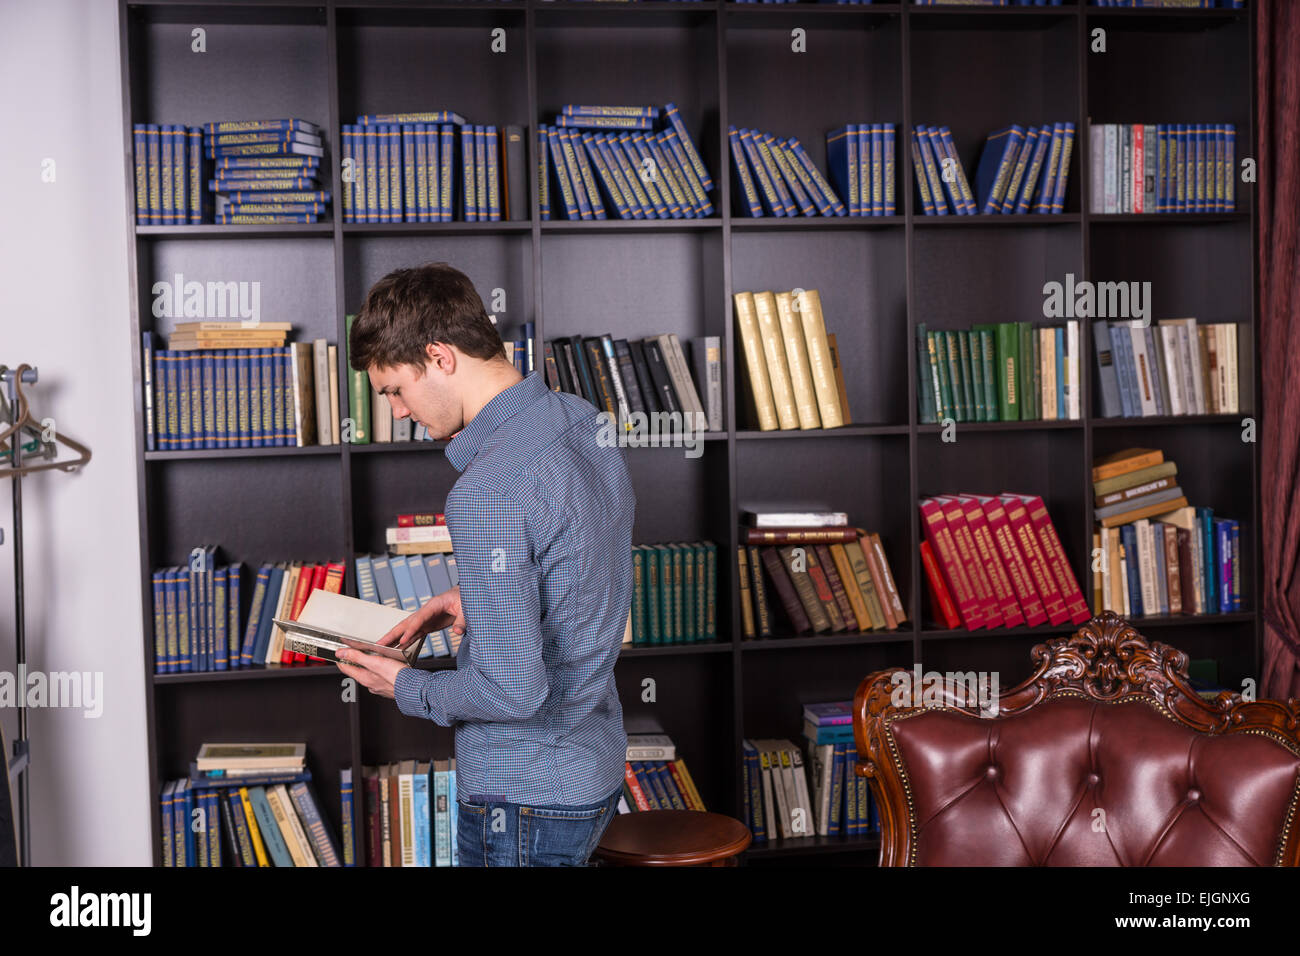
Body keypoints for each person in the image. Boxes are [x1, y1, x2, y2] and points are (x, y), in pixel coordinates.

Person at [336, 262, 635, 866]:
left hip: (526, 796)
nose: (396, 412)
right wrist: (479, 600)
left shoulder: (487, 489)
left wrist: (404, 685)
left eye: (395, 388)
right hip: (594, 767)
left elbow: (512, 690)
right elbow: (587, 568)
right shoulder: (584, 421)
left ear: (441, 357)